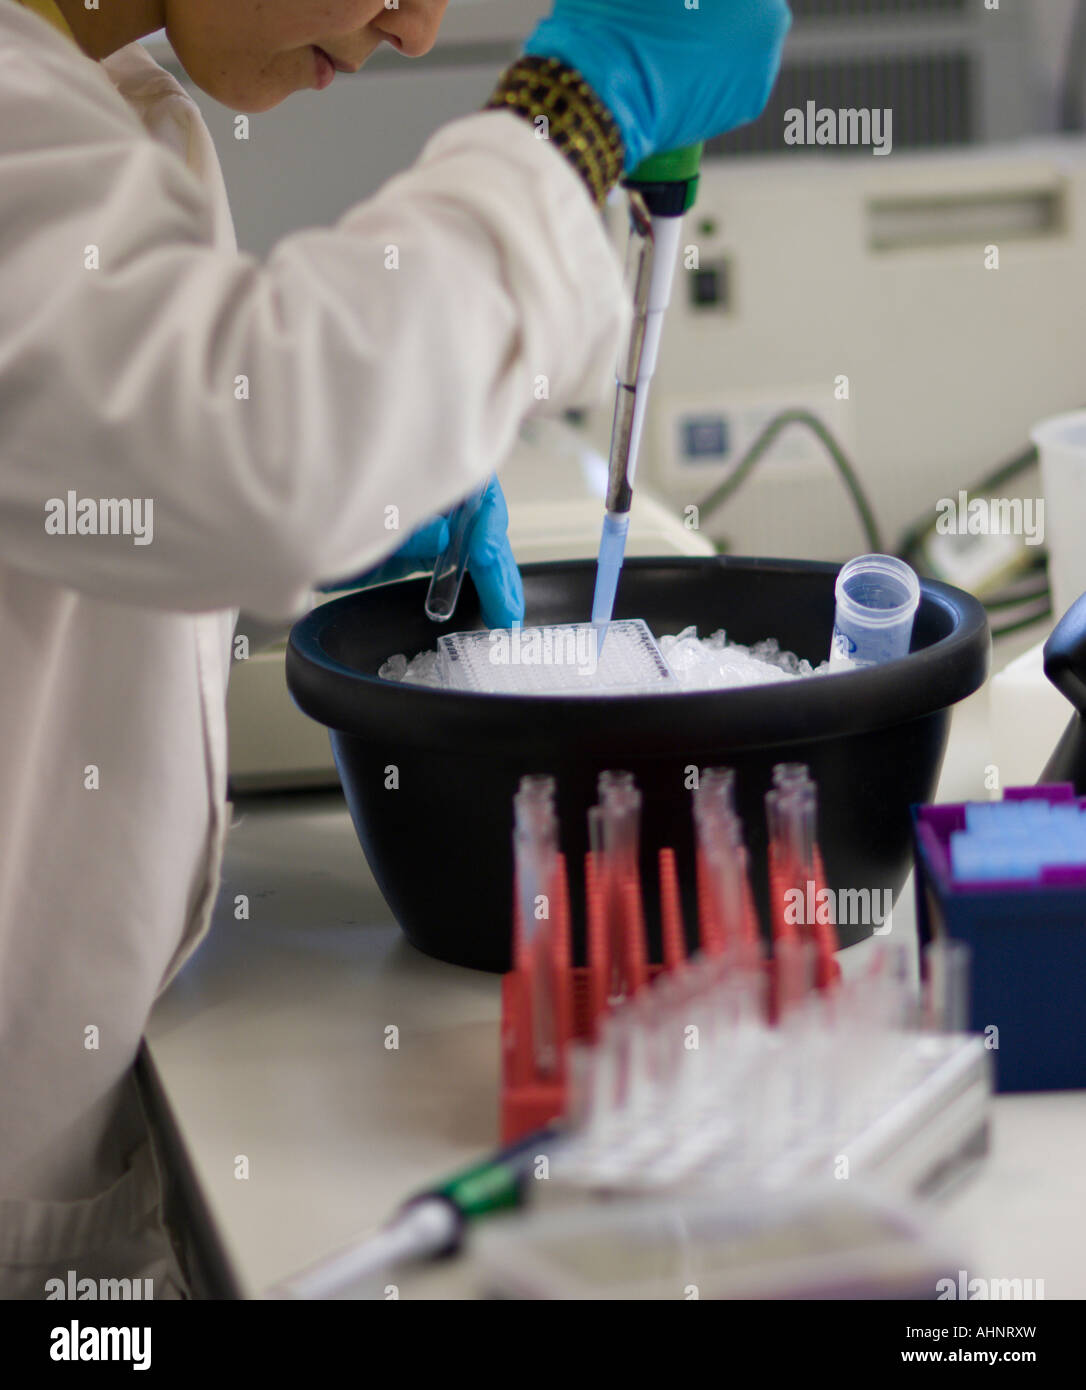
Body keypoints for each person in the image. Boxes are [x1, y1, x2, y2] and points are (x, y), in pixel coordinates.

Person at [0, 0, 791, 1297]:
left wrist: (234, 568)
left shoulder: (95, 94)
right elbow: (254, 447)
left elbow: (127, 452)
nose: (417, 30)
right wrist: (574, 116)